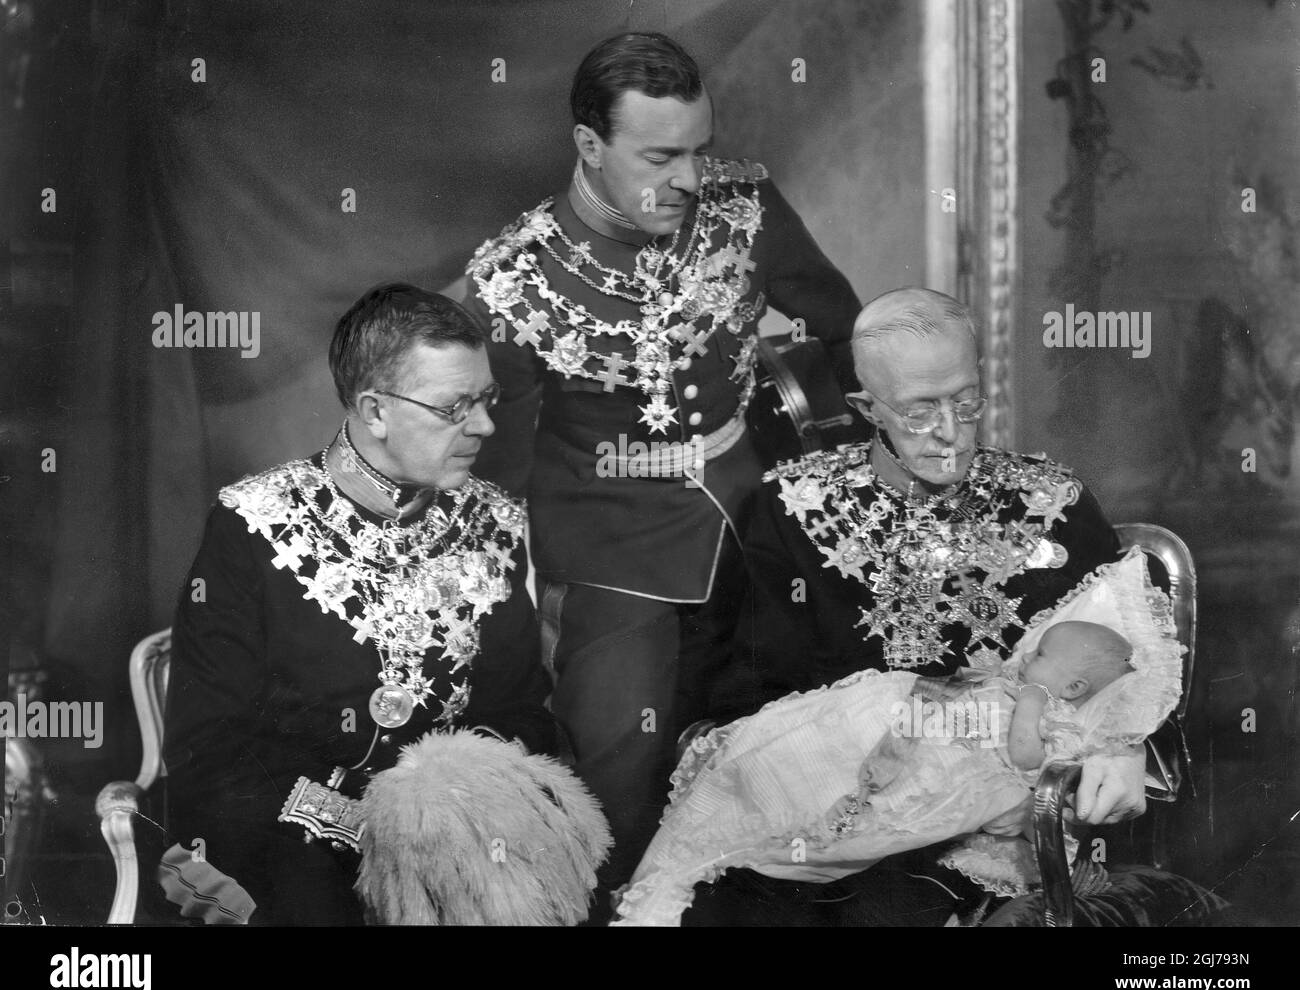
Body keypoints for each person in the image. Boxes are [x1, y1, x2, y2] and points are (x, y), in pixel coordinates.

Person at [462, 31, 861, 906]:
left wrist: (831, 443)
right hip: (610, 559)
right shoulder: (514, 278)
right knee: (622, 780)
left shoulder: (745, 211)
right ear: (588, 145)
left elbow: (848, 328)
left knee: (808, 751)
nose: (689, 178)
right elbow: (480, 470)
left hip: (755, 525)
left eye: (699, 150)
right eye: (661, 155)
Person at [686, 287, 1151, 925]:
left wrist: (1120, 743)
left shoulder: (1054, 502)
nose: (951, 435)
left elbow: (1121, 654)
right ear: (866, 407)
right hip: (841, 819)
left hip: (1015, 818)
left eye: (966, 401)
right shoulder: (792, 508)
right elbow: (752, 690)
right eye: (919, 411)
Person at [161, 284, 608, 926]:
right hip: (283, 841)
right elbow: (208, 757)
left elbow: (521, 714)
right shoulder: (252, 524)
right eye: (455, 407)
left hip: (455, 840)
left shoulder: (494, 524)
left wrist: (448, 804)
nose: (482, 426)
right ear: (375, 411)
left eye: (486, 400)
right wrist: (367, 824)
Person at [614, 620, 1175, 926]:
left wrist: (1025, 698)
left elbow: (1024, 758)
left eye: (1043, 656)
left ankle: (769, 829)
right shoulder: (1022, 689)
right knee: (830, 743)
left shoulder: (1038, 707)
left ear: (1072, 689)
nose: (1026, 658)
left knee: (855, 812)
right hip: (913, 728)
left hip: (936, 773)